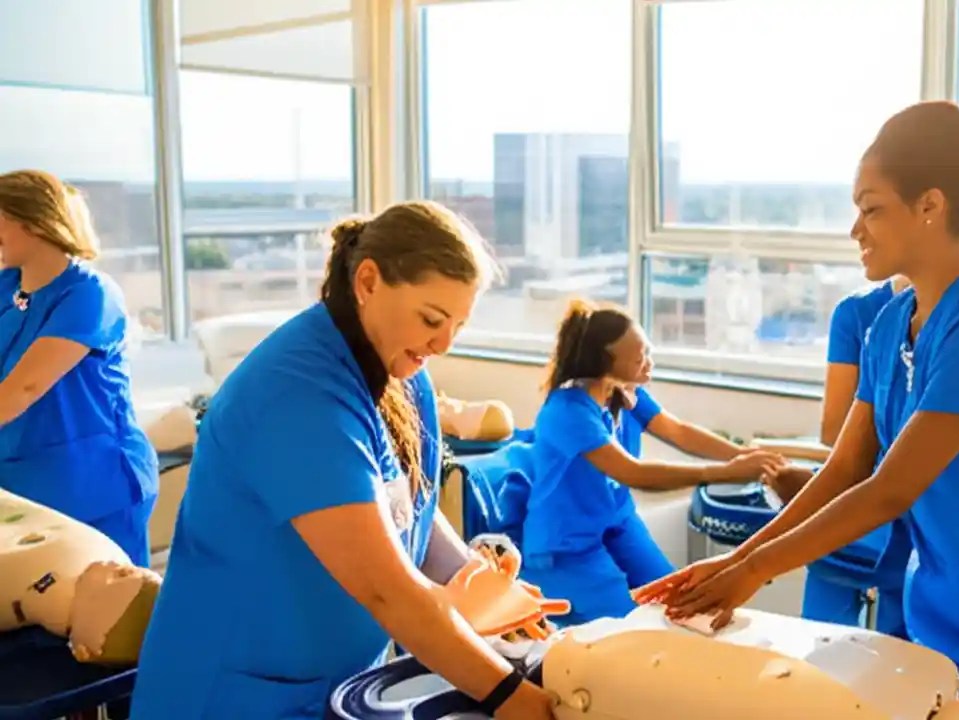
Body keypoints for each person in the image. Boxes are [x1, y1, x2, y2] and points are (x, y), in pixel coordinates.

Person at [638, 101, 959, 720]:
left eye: (871, 208)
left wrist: (753, 572)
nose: (855, 229)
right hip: (948, 609)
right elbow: (845, 469)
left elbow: (890, 490)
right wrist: (732, 562)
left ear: (930, 205)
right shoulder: (887, 326)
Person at [131, 202, 560, 719]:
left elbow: (407, 512)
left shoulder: (401, 375)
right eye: (431, 319)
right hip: (234, 692)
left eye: (458, 325)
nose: (443, 343)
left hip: (332, 683)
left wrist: (470, 578)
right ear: (369, 281)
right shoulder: (296, 395)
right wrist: (512, 698)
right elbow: (388, 591)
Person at [518, 300, 787, 625]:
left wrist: (743, 456)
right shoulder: (568, 411)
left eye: (648, 352)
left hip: (616, 523)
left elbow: (680, 433)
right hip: (565, 545)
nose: (649, 363)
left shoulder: (625, 393)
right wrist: (727, 472)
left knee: (682, 602)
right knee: (631, 625)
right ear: (605, 360)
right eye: (639, 357)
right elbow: (634, 473)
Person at [0, 170, 157, 566]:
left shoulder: (91, 293)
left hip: (94, 484)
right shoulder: (6, 287)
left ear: (35, 221)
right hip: (24, 485)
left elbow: (25, 388)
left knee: (108, 615)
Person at [785, 278, 913, 636]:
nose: (858, 233)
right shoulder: (880, 321)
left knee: (824, 642)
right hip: (897, 510)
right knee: (901, 658)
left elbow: (836, 433)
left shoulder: (860, 314)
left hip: (887, 512)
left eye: (869, 217)